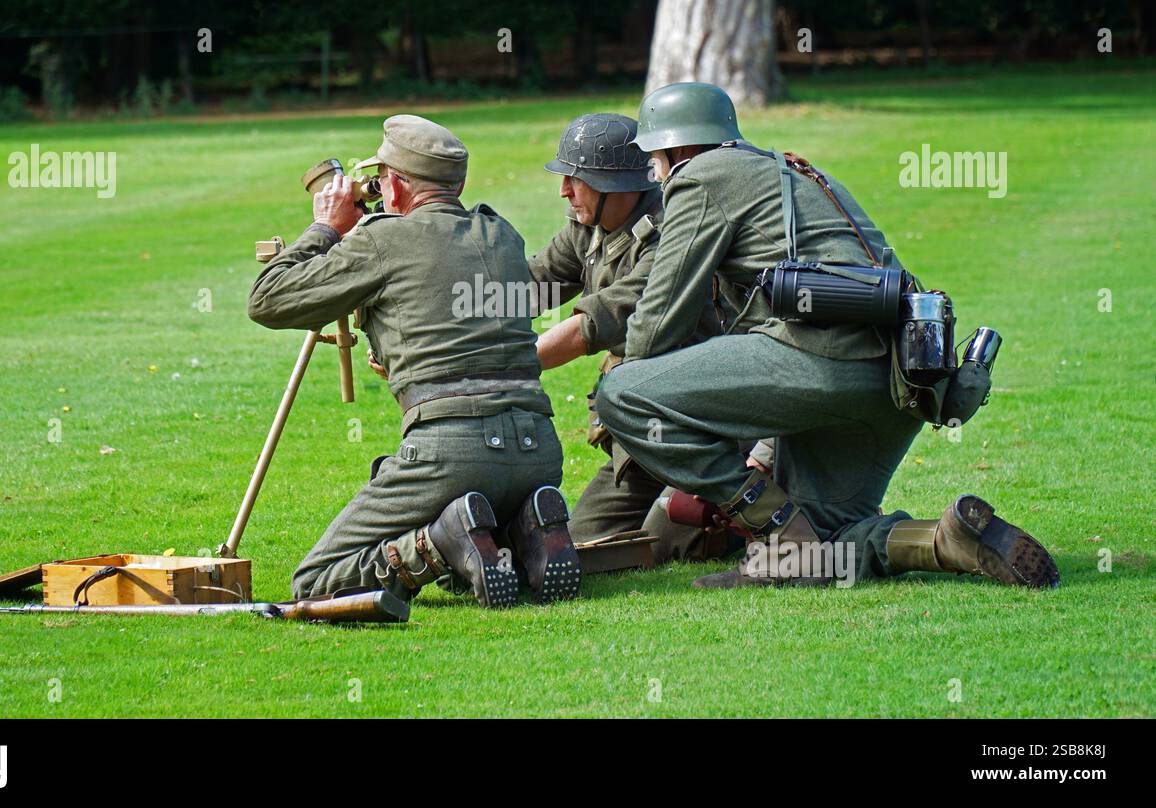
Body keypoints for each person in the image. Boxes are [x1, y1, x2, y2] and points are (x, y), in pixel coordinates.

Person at [595, 83, 1058, 589]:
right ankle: (945, 541)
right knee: (822, 545)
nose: (654, 172)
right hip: (903, 382)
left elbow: (657, 327)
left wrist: (624, 392)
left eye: (654, 158)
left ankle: (775, 529)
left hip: (822, 365)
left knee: (624, 392)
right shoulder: (790, 173)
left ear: (676, 149)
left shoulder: (702, 176)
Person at [247, 114, 579, 607]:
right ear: (458, 183)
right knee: (472, 528)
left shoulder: (382, 239)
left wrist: (325, 228)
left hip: (453, 451)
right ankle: (525, 526)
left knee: (314, 580)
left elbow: (267, 298)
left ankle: (435, 543)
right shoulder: (500, 234)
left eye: (382, 180)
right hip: (539, 448)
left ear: (396, 188)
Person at [528, 112, 745, 563]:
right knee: (579, 545)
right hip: (642, 434)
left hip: (698, 428)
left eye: (576, 179)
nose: (564, 191)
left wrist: (500, 364)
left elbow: (594, 325)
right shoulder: (588, 227)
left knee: (667, 541)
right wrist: (447, 329)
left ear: (618, 185)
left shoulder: (672, 233)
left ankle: (746, 512)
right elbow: (528, 286)